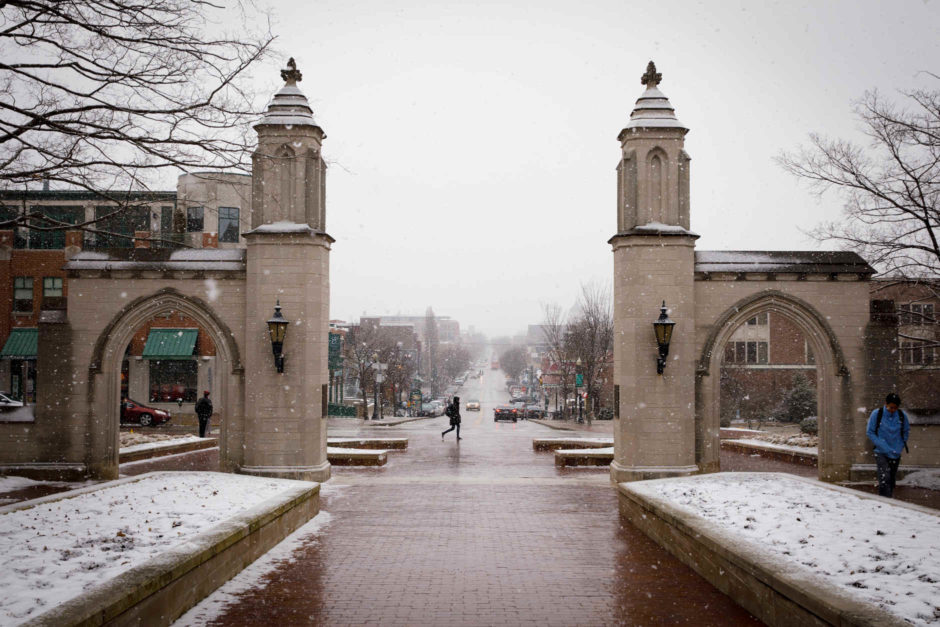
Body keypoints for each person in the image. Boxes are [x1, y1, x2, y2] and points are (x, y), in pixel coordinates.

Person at [866, 392, 910, 498]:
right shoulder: (877, 414)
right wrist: (882, 445)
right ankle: (885, 500)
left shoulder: (901, 415)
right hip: (881, 452)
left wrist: (900, 446)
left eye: (895, 408)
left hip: (895, 452)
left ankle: (888, 498)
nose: (892, 410)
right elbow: (870, 432)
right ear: (886, 403)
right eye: (891, 407)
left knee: (891, 479)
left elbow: (906, 431)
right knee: (884, 477)